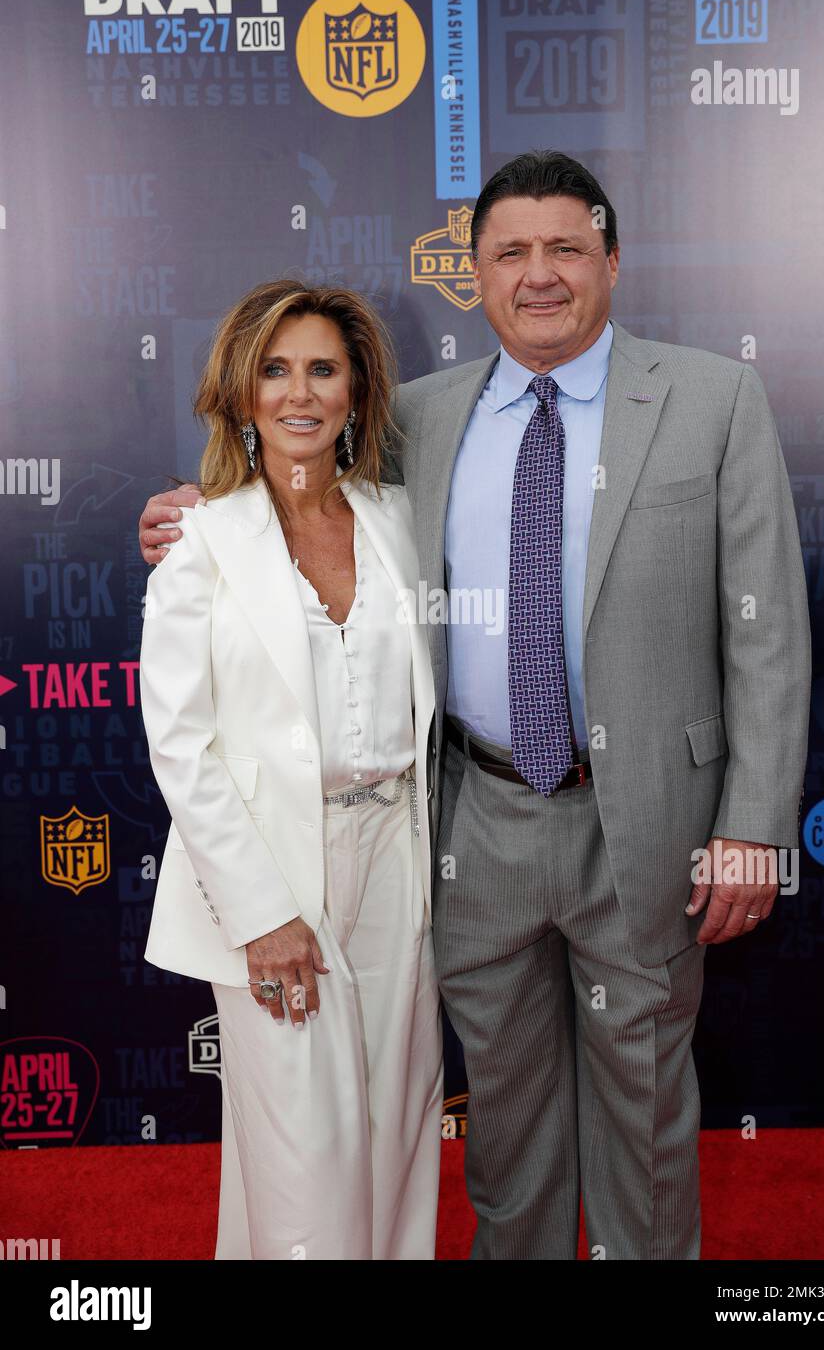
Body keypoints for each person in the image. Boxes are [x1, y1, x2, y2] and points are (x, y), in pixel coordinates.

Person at [139, 151, 812, 1260]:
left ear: (610, 258)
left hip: (643, 821)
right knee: (502, 1117)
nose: (538, 274)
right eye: (511, 251)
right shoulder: (414, 416)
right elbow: (288, 494)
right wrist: (181, 519)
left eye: (564, 248)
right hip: (472, 823)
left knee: (646, 1116)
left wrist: (749, 828)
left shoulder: (712, 397)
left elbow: (769, 634)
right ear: (476, 273)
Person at [139, 280, 443, 1260]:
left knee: (398, 1132)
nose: (299, 392)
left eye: (324, 369)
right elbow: (181, 744)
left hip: (398, 855)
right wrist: (261, 911)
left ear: (357, 393)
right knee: (301, 1155)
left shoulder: (404, 523)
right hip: (272, 874)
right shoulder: (200, 543)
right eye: (275, 370)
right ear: (241, 392)